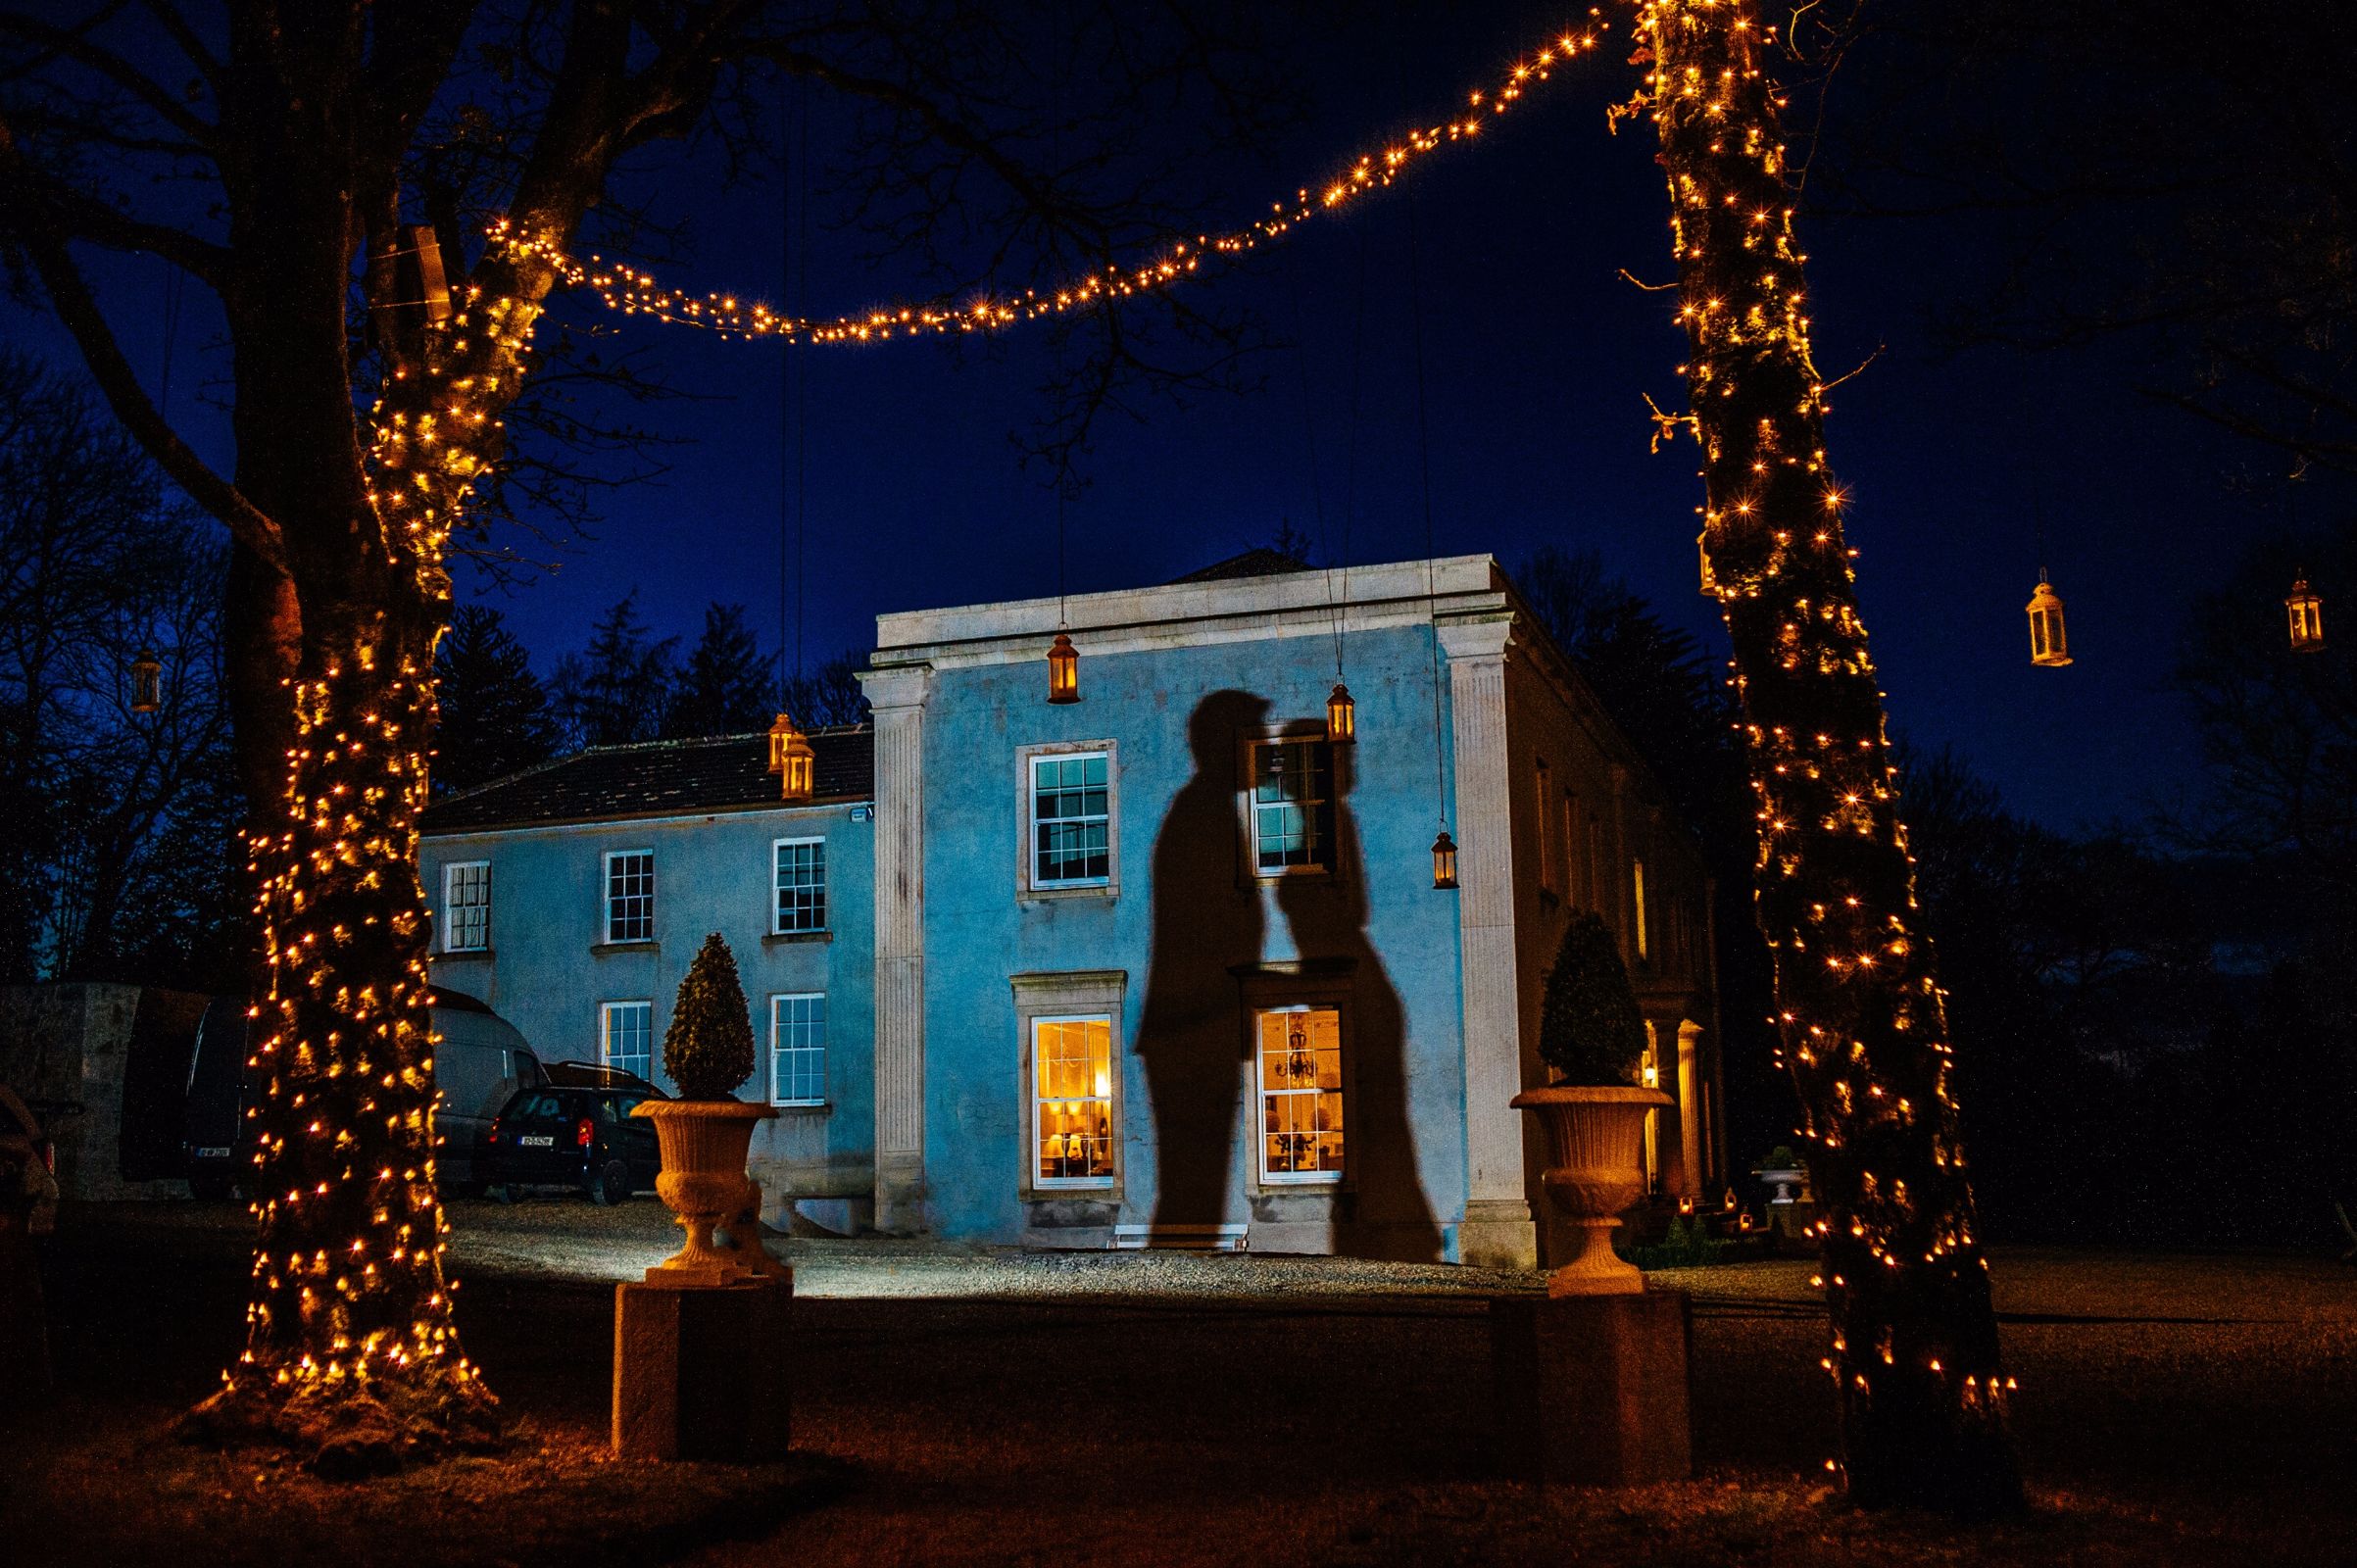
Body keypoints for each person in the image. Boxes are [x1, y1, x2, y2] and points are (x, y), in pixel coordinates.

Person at [0, 1084, 57, 1399]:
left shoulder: (16, 1152)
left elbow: (43, 1192)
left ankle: (29, 1386)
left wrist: (25, 1221)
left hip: (12, 1244)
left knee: (19, 1316)